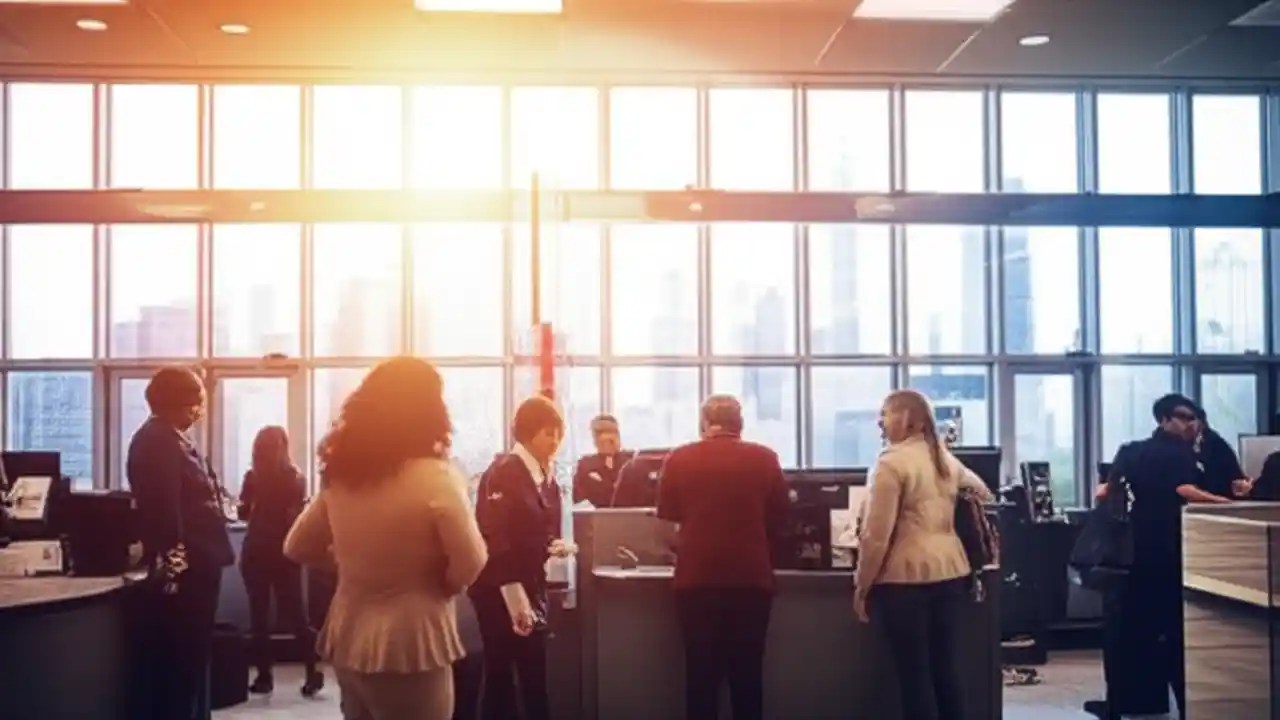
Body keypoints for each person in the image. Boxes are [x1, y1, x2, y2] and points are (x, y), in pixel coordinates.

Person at [284, 357, 488, 720]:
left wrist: (349, 562)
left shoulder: (343, 477)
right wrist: (445, 584)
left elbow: (297, 546)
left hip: (348, 634)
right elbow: (472, 560)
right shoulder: (437, 477)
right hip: (413, 641)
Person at [851, 389, 994, 720]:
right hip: (951, 572)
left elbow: (876, 536)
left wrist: (862, 586)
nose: (880, 422)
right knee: (945, 669)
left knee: (914, 675)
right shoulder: (943, 457)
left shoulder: (891, 463)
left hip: (905, 578)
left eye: (885, 414)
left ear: (904, 418)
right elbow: (983, 493)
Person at [1093, 393, 1231, 720]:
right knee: (1176, 633)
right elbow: (1185, 491)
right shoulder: (1179, 453)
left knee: (1132, 631)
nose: (1189, 424)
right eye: (1182, 417)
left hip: (1132, 553)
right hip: (1172, 550)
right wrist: (1231, 506)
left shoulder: (1131, 450)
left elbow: (1103, 492)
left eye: (1192, 417)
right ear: (1164, 419)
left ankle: (1131, 704)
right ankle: (1188, 704)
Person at [657, 394, 790, 720]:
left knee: (701, 678)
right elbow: (781, 520)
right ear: (740, 424)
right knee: (747, 677)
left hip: (696, 583)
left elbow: (664, 526)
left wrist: (687, 547)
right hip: (751, 581)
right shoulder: (766, 459)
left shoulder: (678, 459)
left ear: (704, 423)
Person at [127, 366, 234, 720]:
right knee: (183, 662)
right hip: (190, 575)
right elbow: (165, 515)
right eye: (194, 402)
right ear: (179, 401)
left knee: (193, 661)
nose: (198, 411)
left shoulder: (170, 438)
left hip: (198, 567)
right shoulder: (158, 441)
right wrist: (174, 576)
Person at [469, 395, 572, 720]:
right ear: (527, 434)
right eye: (547, 433)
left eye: (558, 432)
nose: (554, 440)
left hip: (530, 582)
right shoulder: (505, 472)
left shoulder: (546, 475)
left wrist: (555, 544)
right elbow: (495, 536)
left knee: (531, 672)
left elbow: (543, 527)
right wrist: (515, 596)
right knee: (503, 672)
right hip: (499, 588)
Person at [237, 425, 323, 697]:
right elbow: (293, 518)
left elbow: (242, 513)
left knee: (259, 617)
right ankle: (312, 671)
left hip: (255, 551)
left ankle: (264, 677)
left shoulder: (252, 477)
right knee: (297, 615)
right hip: (284, 553)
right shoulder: (295, 478)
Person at [571, 414, 634, 508]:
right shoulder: (585, 465)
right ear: (594, 438)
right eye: (600, 432)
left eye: (612, 431)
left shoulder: (632, 462)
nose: (606, 436)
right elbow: (578, 500)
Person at [1192, 406, 1254, 499]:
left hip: (1226, 495)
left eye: (1190, 419)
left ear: (1201, 422)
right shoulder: (1196, 441)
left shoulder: (1212, 442)